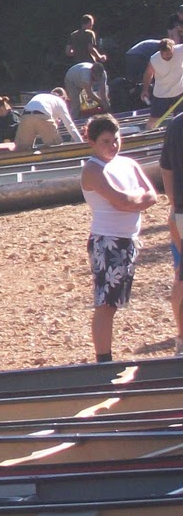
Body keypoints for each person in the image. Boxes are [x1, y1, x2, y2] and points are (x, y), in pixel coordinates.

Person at [80, 114, 159, 362]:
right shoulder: (93, 169)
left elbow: (152, 195)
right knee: (106, 304)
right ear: (92, 142)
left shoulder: (128, 164)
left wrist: (132, 199)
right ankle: (103, 359)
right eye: (105, 141)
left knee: (114, 302)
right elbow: (122, 202)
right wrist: (134, 198)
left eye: (115, 140)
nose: (112, 146)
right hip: (108, 240)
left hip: (128, 239)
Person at [161, 110, 183, 354]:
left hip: (181, 211)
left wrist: (174, 203)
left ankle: (182, 340)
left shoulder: (176, 124)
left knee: (181, 275)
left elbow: (166, 169)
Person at [15, 88, 81, 151]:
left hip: (25, 116)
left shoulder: (40, 96)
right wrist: (80, 143)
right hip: (43, 116)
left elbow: (34, 120)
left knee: (22, 149)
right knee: (56, 147)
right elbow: (69, 125)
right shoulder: (60, 101)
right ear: (63, 98)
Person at [143, 38, 183, 128]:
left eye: (169, 55)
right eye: (163, 55)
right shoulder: (154, 59)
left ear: (173, 49)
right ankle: (147, 135)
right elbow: (148, 73)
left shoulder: (180, 50)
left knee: (180, 118)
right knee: (154, 119)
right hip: (161, 94)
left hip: (179, 92)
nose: (166, 57)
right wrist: (145, 90)